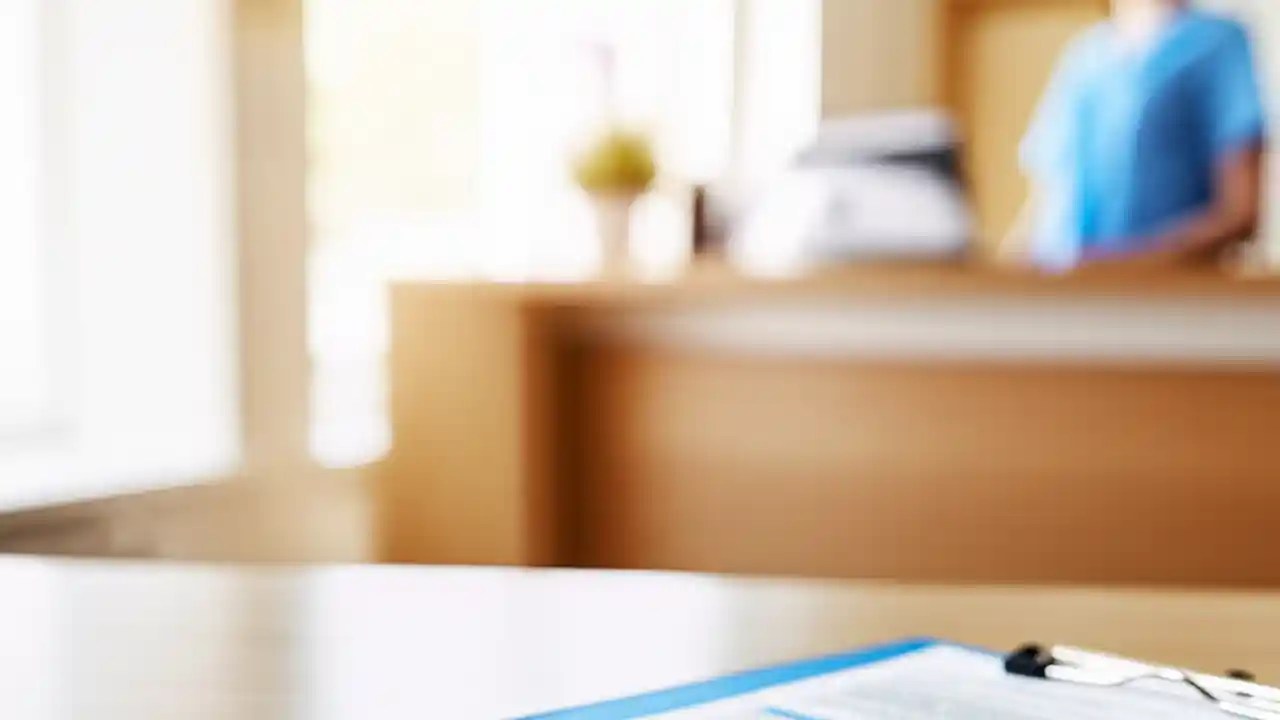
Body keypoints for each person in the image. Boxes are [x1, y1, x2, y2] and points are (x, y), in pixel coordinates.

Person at [1004, 0, 1267, 270]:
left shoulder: (1216, 44)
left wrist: (1120, 267)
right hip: (1068, 296)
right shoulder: (1084, 55)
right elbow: (1046, 204)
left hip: (1165, 297)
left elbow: (1239, 212)